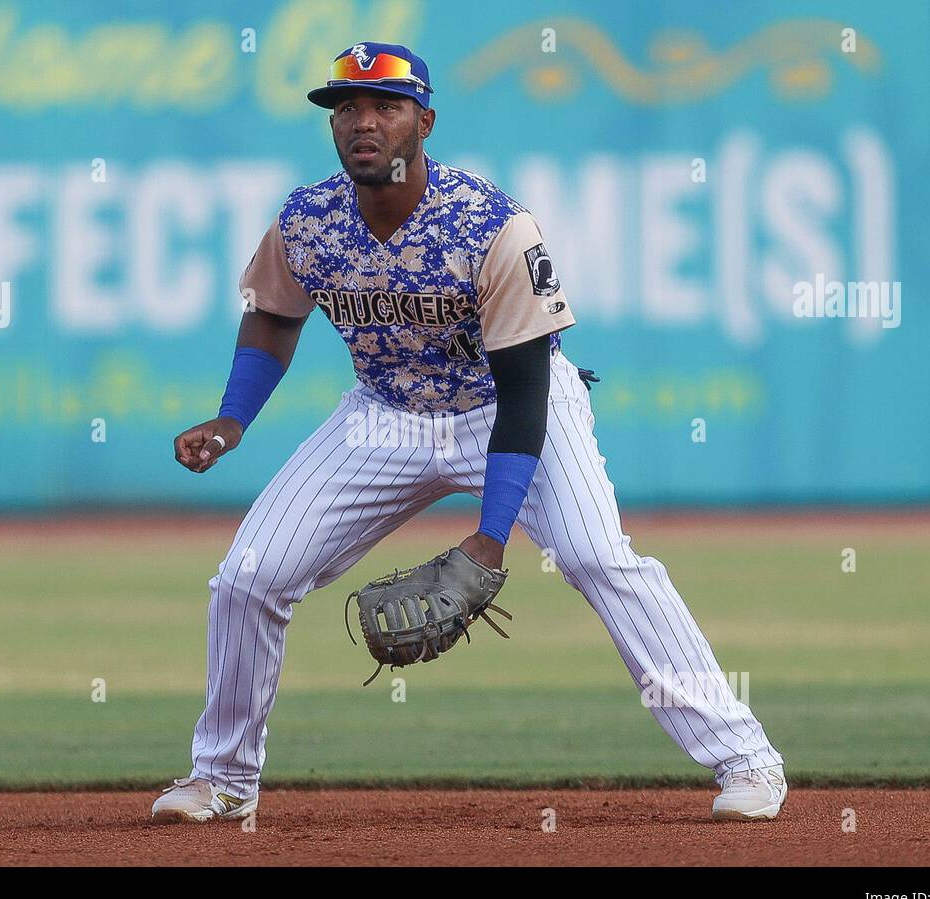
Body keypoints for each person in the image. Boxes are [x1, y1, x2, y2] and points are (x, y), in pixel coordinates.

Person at [153, 41, 785, 824]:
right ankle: (221, 777)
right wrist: (232, 418)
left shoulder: (493, 225)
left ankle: (746, 759)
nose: (363, 120)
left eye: (385, 105)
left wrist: (490, 538)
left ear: (425, 121)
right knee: (249, 577)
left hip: (508, 407)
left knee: (597, 556)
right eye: (346, 105)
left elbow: (525, 394)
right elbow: (274, 312)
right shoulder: (308, 219)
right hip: (387, 414)